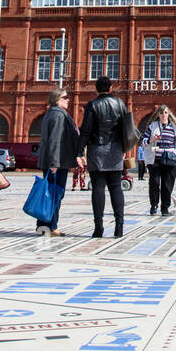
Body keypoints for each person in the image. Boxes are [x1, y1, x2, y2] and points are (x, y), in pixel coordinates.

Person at [78, 76, 129, 239]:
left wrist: (79, 151)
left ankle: (98, 227)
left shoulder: (92, 105)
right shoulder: (120, 104)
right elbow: (126, 128)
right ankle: (119, 227)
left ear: (96, 89)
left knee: (98, 187)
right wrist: (125, 147)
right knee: (116, 187)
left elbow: (85, 130)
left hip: (97, 149)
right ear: (111, 88)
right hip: (115, 148)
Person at [35, 87, 82, 236]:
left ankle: (42, 225)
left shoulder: (52, 113)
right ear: (57, 100)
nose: (68, 99)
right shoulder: (58, 115)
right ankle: (52, 226)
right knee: (55, 194)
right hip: (57, 162)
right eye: (65, 97)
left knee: (48, 193)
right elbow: (55, 140)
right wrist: (54, 162)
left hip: (55, 160)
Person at [144, 105, 176, 217]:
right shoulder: (153, 126)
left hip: (170, 159)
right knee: (154, 183)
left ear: (169, 114)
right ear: (158, 115)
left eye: (166, 113)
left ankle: (165, 208)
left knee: (167, 185)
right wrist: (151, 139)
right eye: (161, 113)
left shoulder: (174, 127)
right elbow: (143, 141)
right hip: (155, 159)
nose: (164, 115)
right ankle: (154, 205)